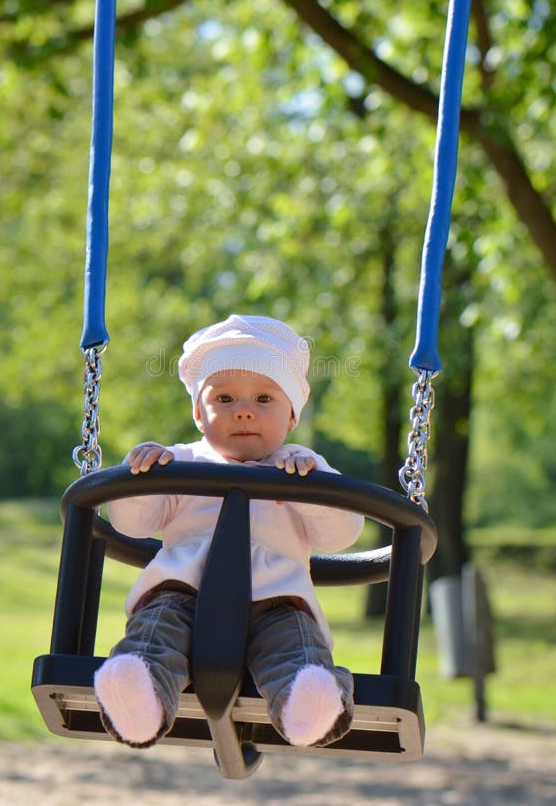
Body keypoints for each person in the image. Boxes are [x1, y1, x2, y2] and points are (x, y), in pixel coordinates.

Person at [94, 314, 364, 749]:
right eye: (224, 398)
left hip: (279, 601)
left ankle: (308, 702)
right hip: (182, 594)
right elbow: (131, 522)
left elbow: (342, 533)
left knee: (296, 650)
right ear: (199, 414)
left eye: (263, 398)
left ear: (292, 414)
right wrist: (140, 476)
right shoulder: (179, 463)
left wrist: (308, 488)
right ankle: (138, 694)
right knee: (154, 634)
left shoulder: (301, 466)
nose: (243, 410)